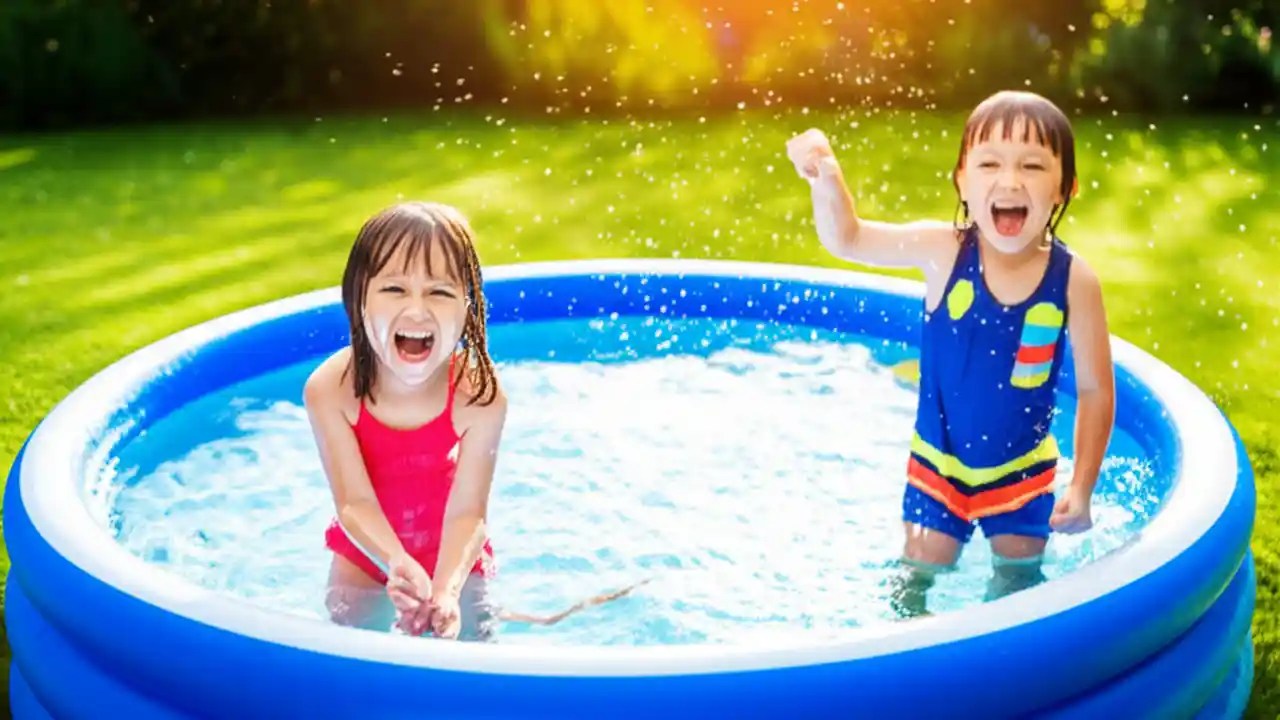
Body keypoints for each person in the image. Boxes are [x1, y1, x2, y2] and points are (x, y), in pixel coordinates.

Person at [785, 90, 1116, 617]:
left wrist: (1082, 486)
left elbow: (1097, 388)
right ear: (962, 179)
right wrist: (826, 176)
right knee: (917, 574)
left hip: (1022, 475)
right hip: (938, 468)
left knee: (1017, 583)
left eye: (1032, 165)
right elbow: (847, 239)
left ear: (1064, 188)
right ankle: (900, 670)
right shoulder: (944, 251)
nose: (1009, 181)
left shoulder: (1074, 281)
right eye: (989, 163)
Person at [305, 201, 642, 639]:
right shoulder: (332, 389)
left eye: (440, 292)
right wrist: (397, 563)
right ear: (357, 298)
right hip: (365, 558)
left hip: (456, 557)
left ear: (468, 308)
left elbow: (468, 512)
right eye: (394, 290)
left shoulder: (478, 394)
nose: (417, 310)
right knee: (348, 658)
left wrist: (446, 591)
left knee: (471, 658)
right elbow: (354, 504)